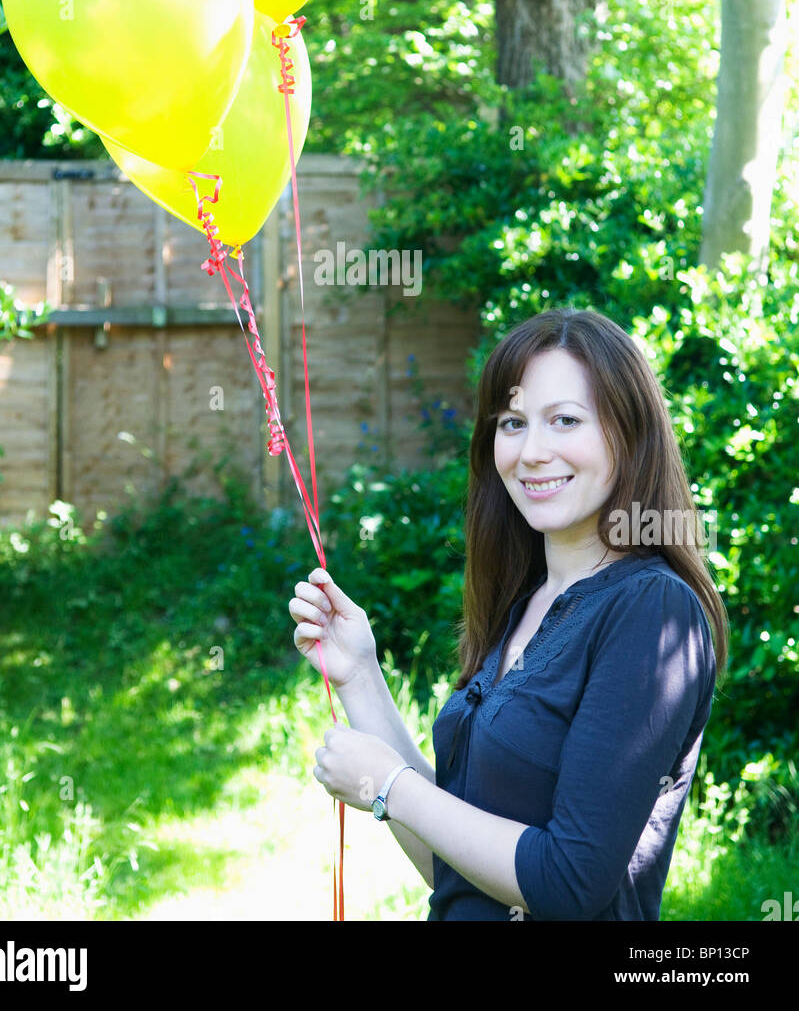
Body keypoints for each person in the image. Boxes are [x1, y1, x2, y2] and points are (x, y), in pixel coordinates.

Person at [289, 307, 728, 920]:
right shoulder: (524, 603)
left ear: (628, 434)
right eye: (513, 423)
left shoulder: (653, 611)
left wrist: (392, 785)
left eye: (565, 420)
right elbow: (455, 870)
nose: (532, 451)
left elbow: (570, 883)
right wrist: (359, 674)